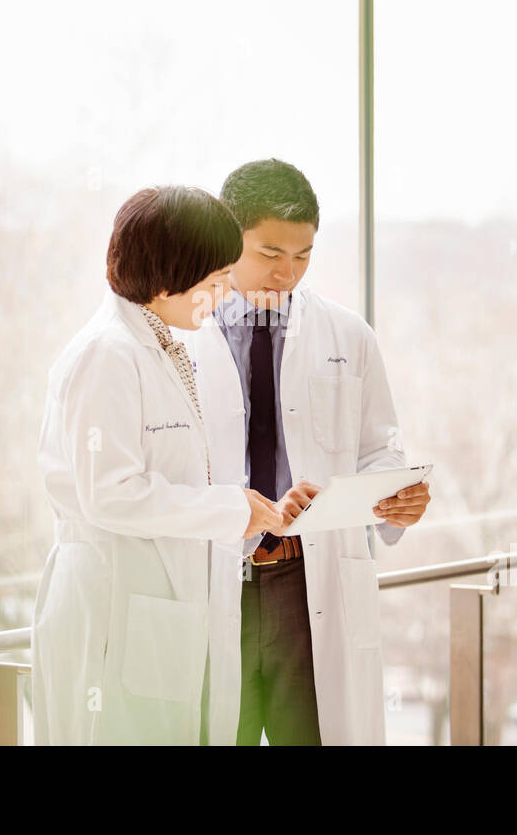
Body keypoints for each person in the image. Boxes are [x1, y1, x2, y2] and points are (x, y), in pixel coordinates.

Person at [176, 158, 431, 745]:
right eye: (270, 254)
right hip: (218, 578)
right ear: (227, 238)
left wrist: (399, 496)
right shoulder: (185, 338)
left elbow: (380, 449)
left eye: (303, 255)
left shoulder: (347, 336)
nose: (287, 273)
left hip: (305, 581)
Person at [32, 185, 284, 745]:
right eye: (214, 282)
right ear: (169, 277)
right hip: (110, 606)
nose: (221, 297)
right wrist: (226, 509)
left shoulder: (160, 346)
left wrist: (243, 513)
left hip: (154, 610)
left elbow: (172, 486)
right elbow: (111, 493)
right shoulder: (108, 355)